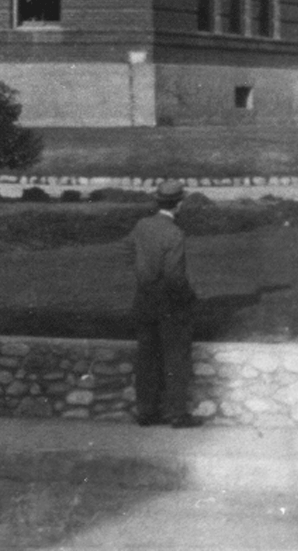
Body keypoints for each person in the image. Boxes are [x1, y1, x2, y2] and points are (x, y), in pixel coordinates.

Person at [128, 179, 201, 428]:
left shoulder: (141, 226)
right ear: (179, 204)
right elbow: (174, 276)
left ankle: (146, 412)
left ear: (158, 201)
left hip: (144, 299)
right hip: (168, 302)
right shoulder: (174, 233)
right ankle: (178, 414)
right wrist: (188, 299)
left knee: (147, 356)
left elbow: (130, 255)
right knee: (175, 357)